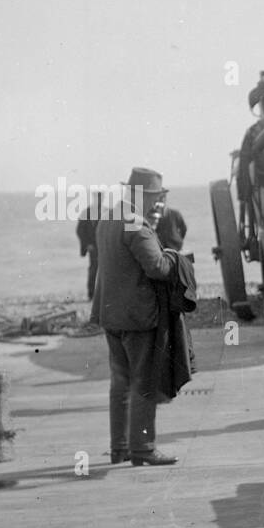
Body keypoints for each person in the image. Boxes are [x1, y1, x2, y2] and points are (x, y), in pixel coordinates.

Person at [91, 167, 178, 466]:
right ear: (143, 196)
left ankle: (120, 448)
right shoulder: (136, 225)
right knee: (143, 384)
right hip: (137, 317)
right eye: (154, 198)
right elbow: (157, 267)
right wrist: (175, 258)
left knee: (120, 385)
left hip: (110, 314)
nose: (156, 204)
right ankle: (143, 449)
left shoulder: (110, 218)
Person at [76, 192, 101, 300]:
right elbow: (80, 230)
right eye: (98, 198)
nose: (99, 200)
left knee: (106, 270)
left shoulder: (107, 212)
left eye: (101, 198)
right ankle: (91, 294)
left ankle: (102, 294)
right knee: (93, 270)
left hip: (104, 247)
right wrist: (87, 244)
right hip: (93, 247)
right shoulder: (87, 212)